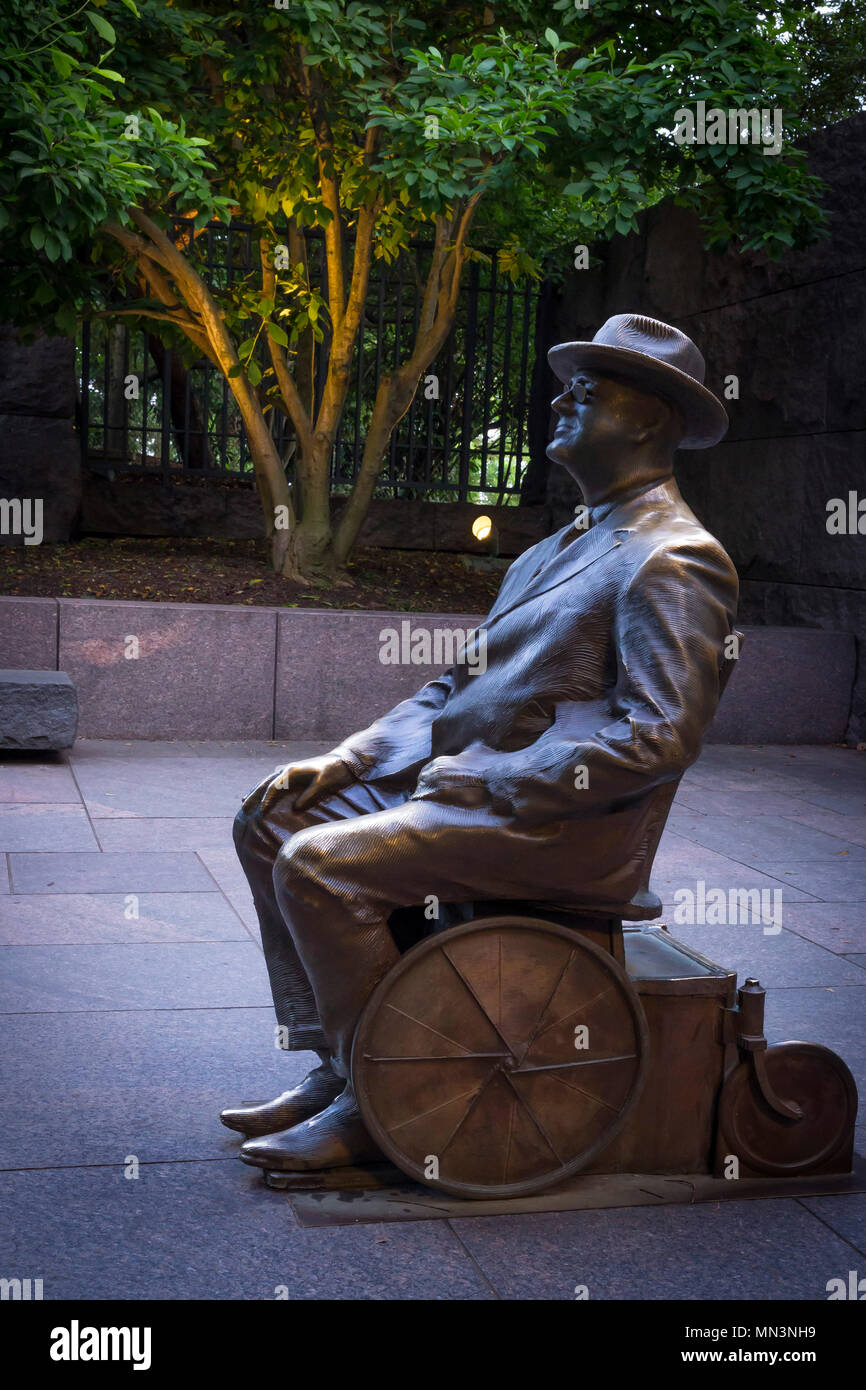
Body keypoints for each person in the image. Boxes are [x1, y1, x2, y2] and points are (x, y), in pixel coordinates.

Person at [222, 313, 739, 1172]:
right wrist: (348, 760)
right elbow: (449, 689)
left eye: (590, 387)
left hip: (562, 827)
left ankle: (374, 1106)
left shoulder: (675, 558)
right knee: (268, 819)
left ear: (648, 419)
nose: (563, 398)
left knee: (317, 864)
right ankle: (342, 1062)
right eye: (570, 383)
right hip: (470, 788)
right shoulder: (542, 557)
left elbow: (658, 736)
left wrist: (495, 781)